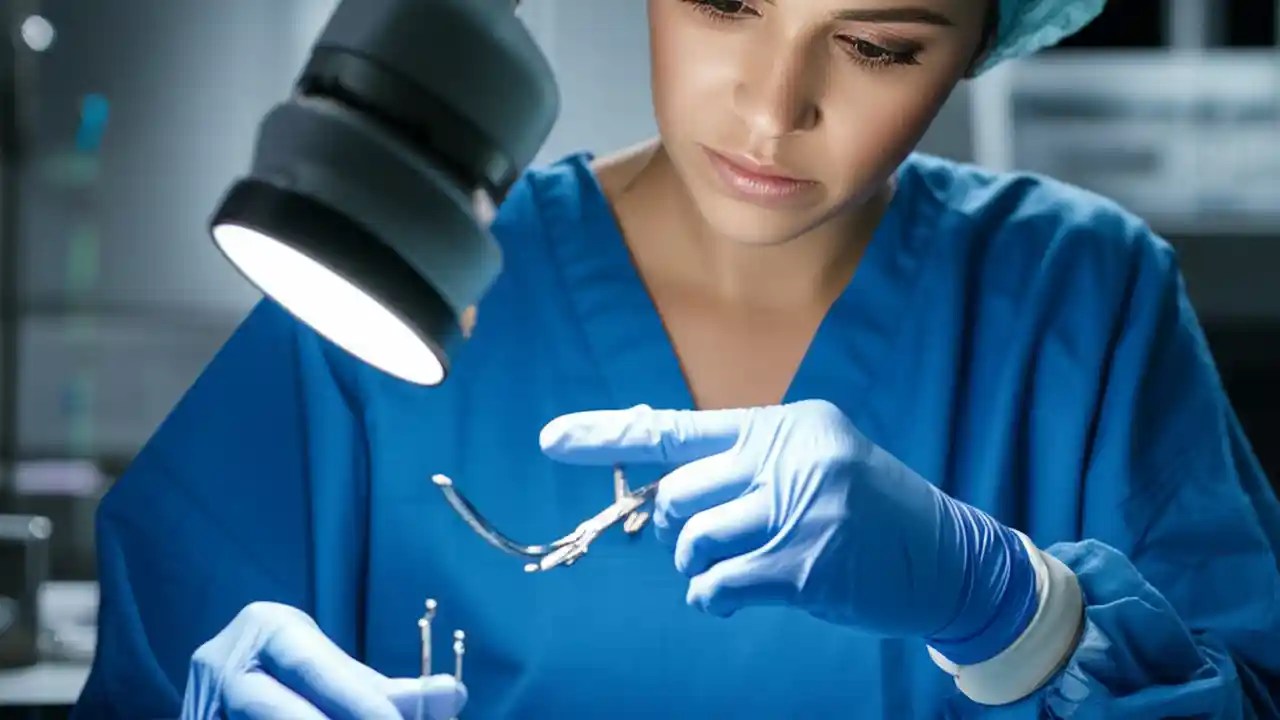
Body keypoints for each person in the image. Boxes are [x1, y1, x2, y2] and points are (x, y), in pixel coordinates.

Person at [74, 0, 1280, 717]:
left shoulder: (1077, 300)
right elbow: (145, 674)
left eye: (874, 46)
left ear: (978, 43)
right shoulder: (378, 282)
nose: (769, 110)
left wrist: (1014, 608)